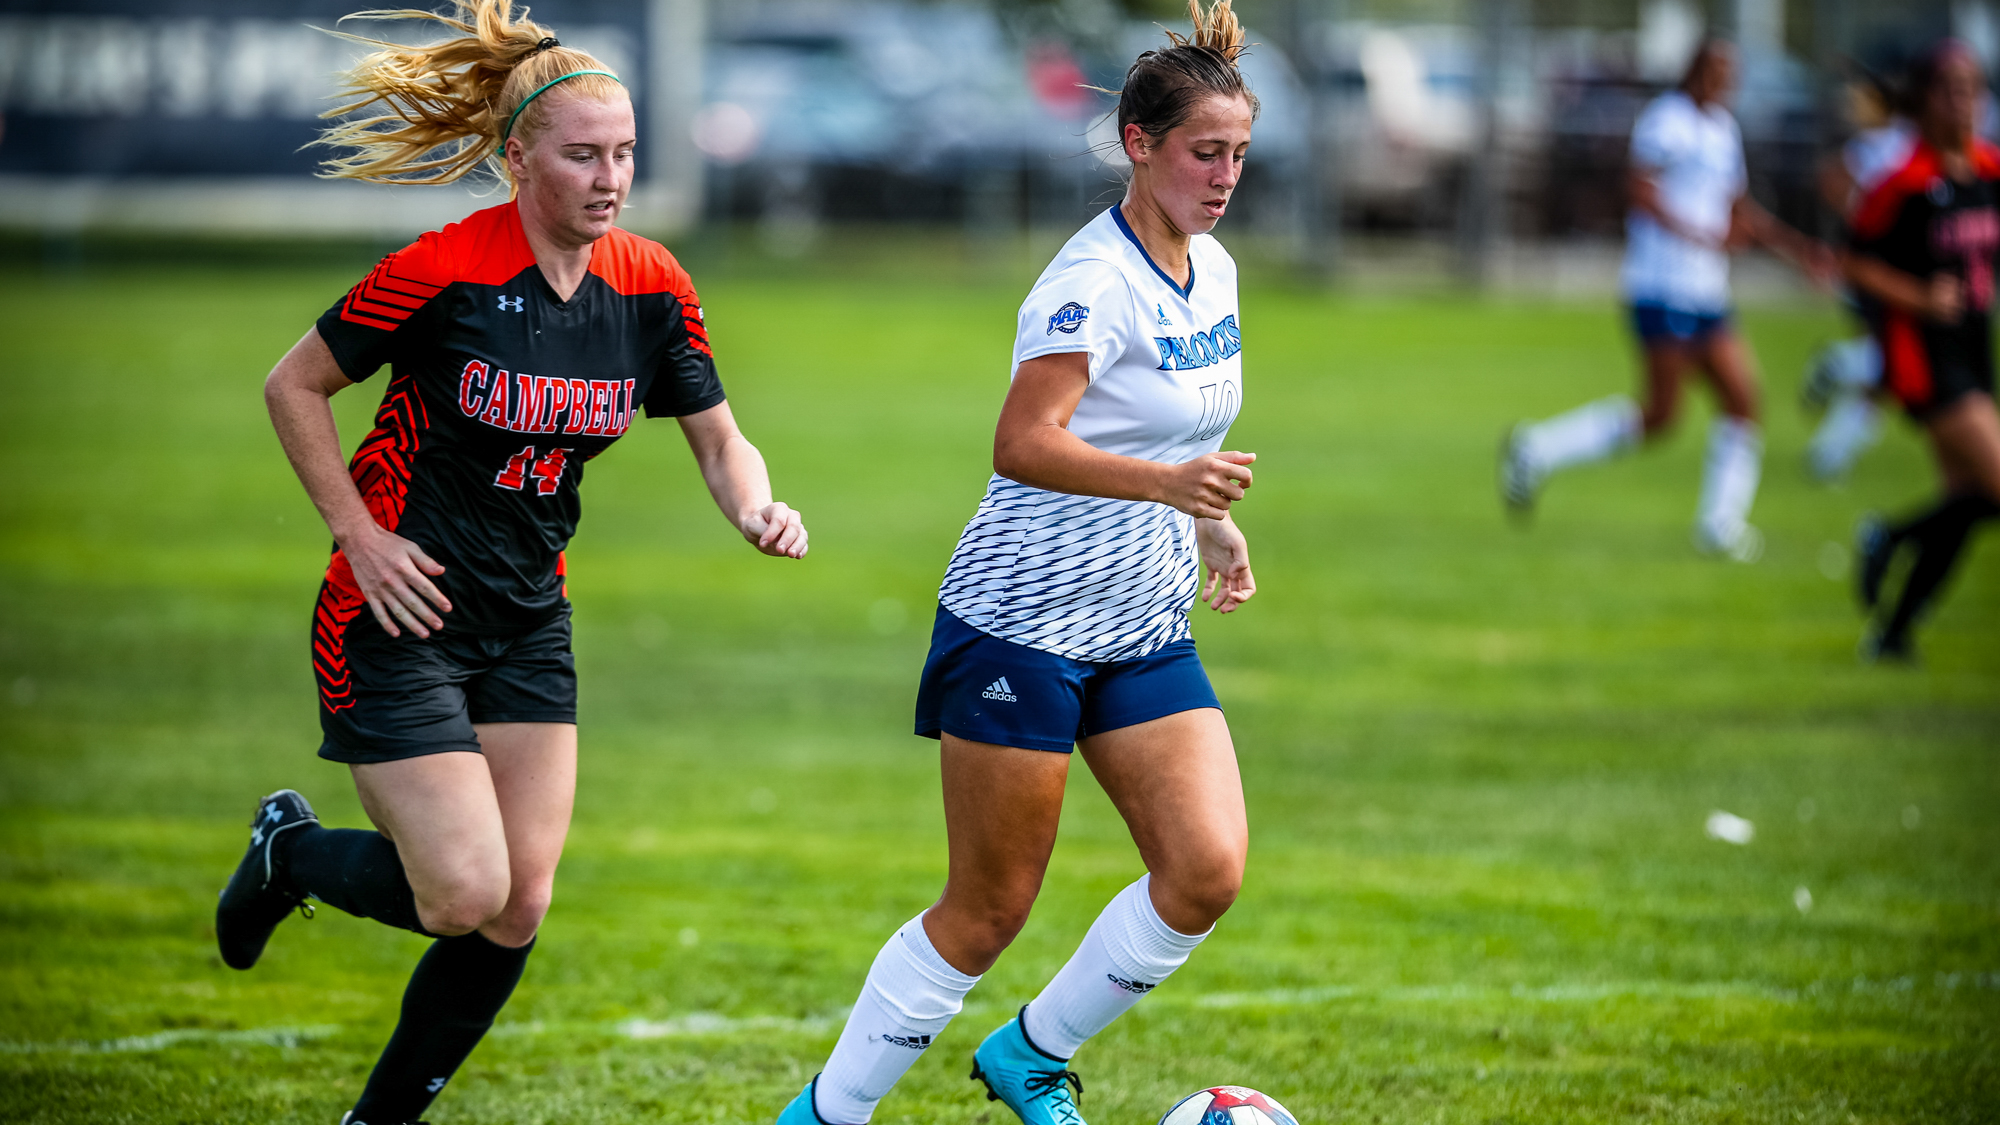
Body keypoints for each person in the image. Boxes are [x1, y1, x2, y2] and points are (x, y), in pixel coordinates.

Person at [213, 4, 808, 1122]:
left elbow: (719, 436)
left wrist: (755, 506)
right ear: (518, 158)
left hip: (529, 618)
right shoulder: (440, 269)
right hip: (397, 613)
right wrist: (360, 535)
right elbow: (293, 384)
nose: (610, 178)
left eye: (624, 153)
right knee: (462, 893)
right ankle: (289, 852)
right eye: (583, 155)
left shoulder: (651, 283)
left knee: (517, 906)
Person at [772, 5, 1257, 1125]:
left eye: (1238, 154)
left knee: (1204, 870)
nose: (1225, 177)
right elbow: (1023, 443)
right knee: (988, 909)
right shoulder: (1089, 280)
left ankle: (1031, 1054)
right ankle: (823, 1116)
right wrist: (1169, 488)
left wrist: (1207, 523)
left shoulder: (1216, 269)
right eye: (1204, 152)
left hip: (1140, 622)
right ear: (1139, 144)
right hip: (1022, 624)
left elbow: (1172, 429)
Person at [1500, 38, 1836, 560]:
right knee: (1660, 414)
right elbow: (1640, 192)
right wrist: (1698, 234)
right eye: (1718, 72)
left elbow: (1738, 208)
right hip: (1661, 286)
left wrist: (1798, 250)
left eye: (1732, 75)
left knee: (1742, 399)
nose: (1726, 84)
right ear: (1696, 70)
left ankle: (1720, 525)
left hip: (1707, 290)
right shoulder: (1666, 121)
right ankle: (1537, 448)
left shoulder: (1723, 128)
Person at [1846, 39, 2000, 661]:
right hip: (1925, 360)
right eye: (1950, 90)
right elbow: (1854, 261)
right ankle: (1888, 537)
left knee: (1969, 499)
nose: (1963, 101)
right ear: (1925, 99)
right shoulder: (1903, 181)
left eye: (1972, 88)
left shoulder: (1988, 170)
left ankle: (1892, 633)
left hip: (1975, 352)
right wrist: (1917, 296)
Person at [1801, 74, 1916, 483]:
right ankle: (1838, 364)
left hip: (1888, 265)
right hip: (1884, 268)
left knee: (1884, 372)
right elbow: (1831, 181)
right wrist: (1862, 223)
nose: (1854, 109)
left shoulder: (1899, 141)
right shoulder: (1888, 146)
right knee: (1889, 365)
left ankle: (1829, 454)